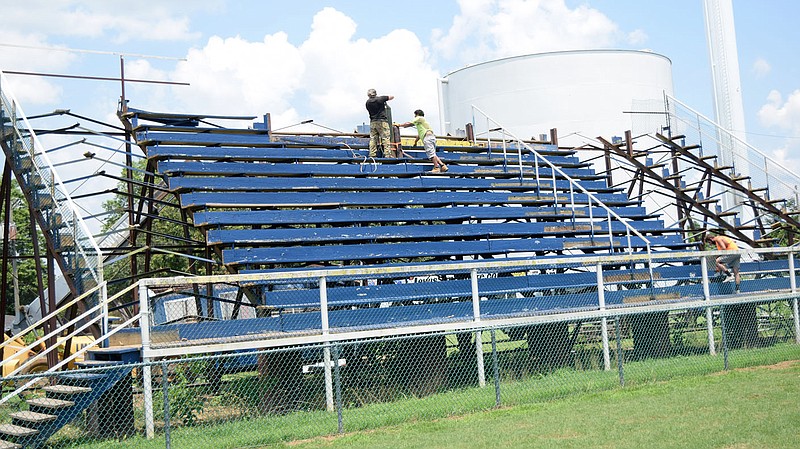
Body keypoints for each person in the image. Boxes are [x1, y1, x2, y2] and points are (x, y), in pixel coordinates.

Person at [365, 89, 395, 158]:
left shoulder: (367, 102)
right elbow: (392, 97)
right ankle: (387, 154)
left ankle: (372, 154)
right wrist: (384, 99)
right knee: (385, 138)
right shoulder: (380, 99)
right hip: (382, 121)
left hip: (373, 122)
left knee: (373, 139)